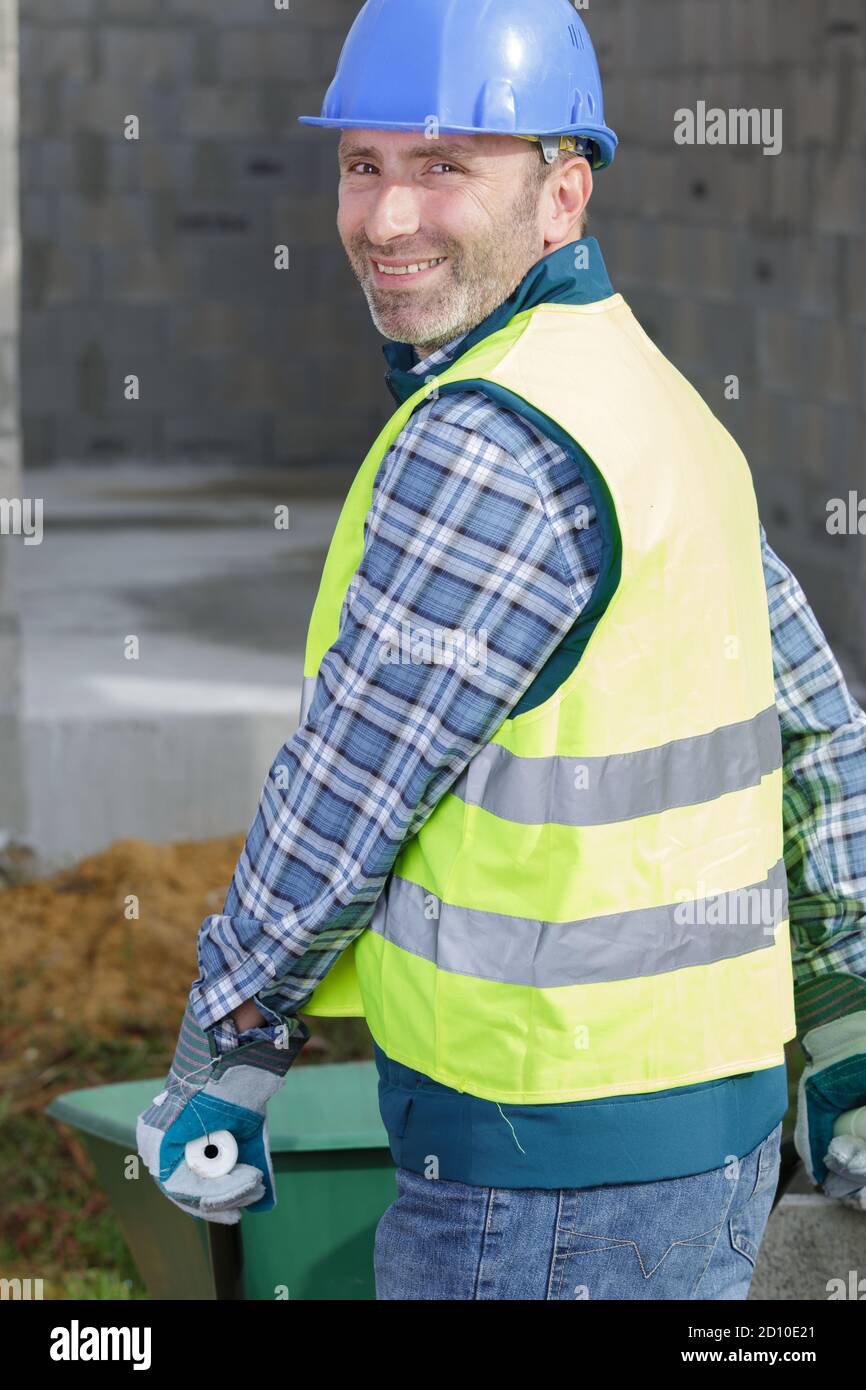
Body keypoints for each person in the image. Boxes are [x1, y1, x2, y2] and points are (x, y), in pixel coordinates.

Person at [137, 0, 866, 1299]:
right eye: (364, 163)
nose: (385, 216)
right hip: (711, 1131)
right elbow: (816, 728)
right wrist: (847, 1014)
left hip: (536, 1169)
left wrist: (225, 1050)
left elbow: (343, 799)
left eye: (444, 167)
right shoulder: (648, 399)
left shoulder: (486, 444)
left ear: (561, 194)